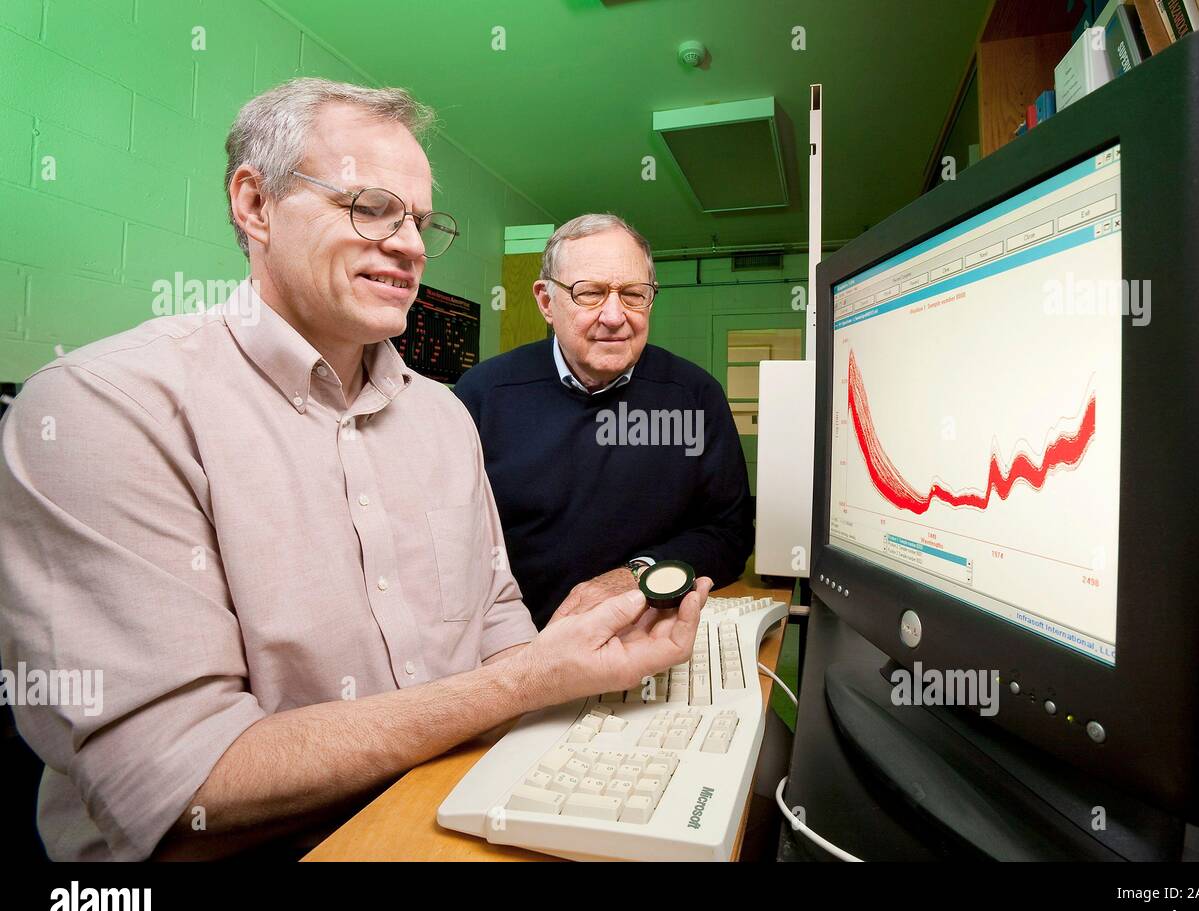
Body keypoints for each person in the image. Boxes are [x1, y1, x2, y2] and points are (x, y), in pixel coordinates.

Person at [0, 79, 707, 862]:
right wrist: (528, 683)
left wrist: (583, 711)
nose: (408, 243)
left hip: (447, 815)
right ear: (255, 203)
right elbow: (182, 785)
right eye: (371, 206)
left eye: (419, 219)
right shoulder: (103, 409)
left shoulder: (443, 417)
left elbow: (499, 618)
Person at [454, 214, 752, 628]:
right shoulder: (482, 395)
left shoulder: (695, 397)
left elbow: (730, 535)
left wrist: (638, 575)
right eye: (590, 293)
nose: (614, 316)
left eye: (633, 294)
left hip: (644, 639)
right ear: (546, 302)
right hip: (514, 651)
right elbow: (446, 544)